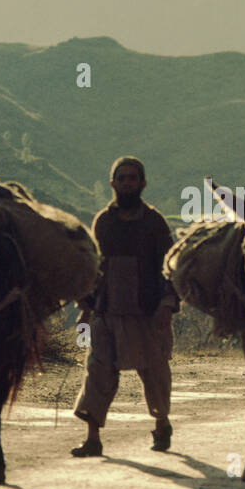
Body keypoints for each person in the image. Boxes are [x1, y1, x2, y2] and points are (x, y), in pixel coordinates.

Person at [71, 156, 178, 456]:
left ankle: (161, 425)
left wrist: (167, 306)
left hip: (147, 314)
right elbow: (95, 268)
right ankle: (92, 439)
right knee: (98, 372)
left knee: (155, 374)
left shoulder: (155, 223)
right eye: (122, 178)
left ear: (143, 183)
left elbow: (169, 267)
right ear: (113, 184)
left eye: (133, 178)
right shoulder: (103, 222)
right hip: (108, 313)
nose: (128, 183)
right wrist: (86, 306)